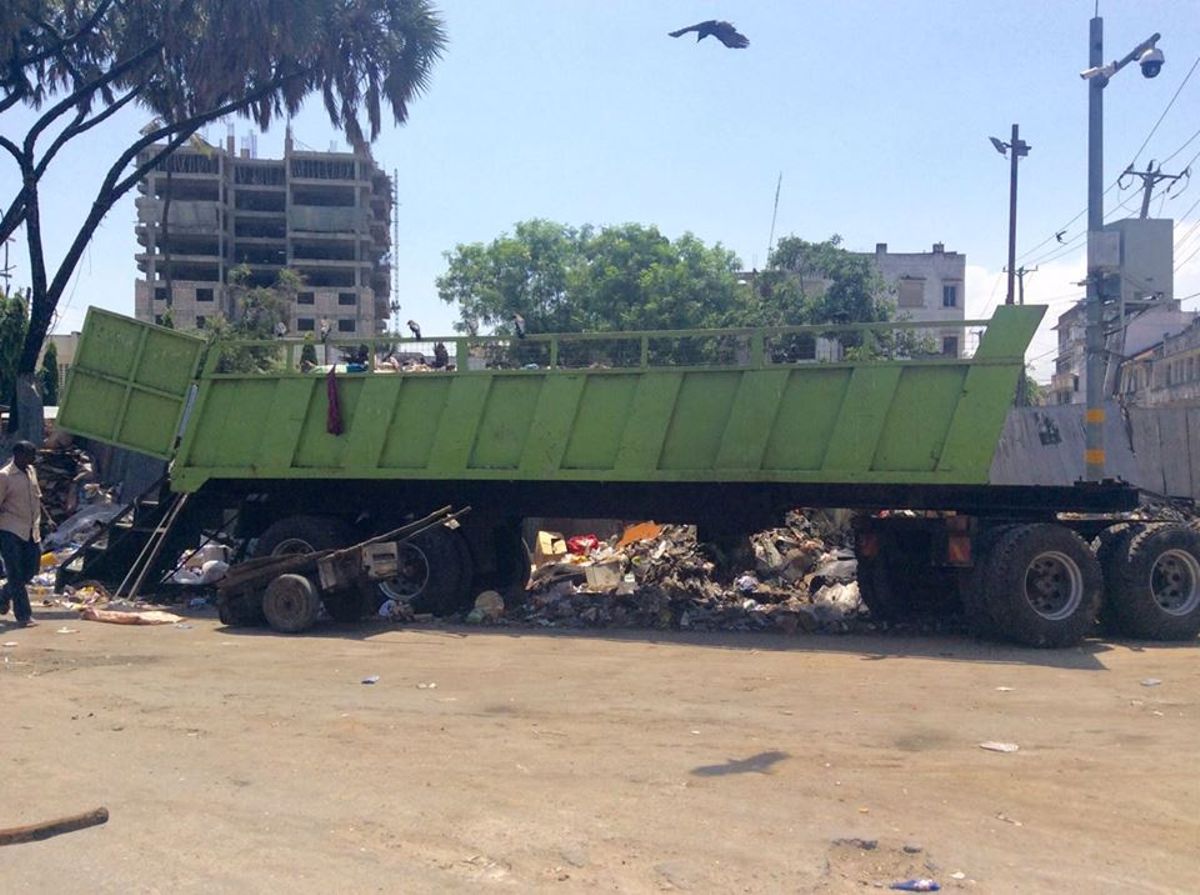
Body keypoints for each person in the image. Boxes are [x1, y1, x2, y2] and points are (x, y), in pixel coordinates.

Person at [0, 441, 43, 627]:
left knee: (31, 570)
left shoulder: (31, 471)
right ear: (18, 455)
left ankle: (3, 595)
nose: (32, 459)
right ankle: (24, 615)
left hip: (31, 529)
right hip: (10, 529)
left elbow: (36, 497)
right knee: (16, 573)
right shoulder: (5, 476)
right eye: (29, 455)